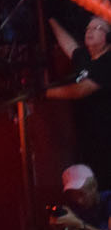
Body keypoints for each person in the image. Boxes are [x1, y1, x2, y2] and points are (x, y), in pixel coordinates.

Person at [46, 16, 111, 186]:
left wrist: (46, 93)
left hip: (106, 139)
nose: (90, 31)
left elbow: (80, 90)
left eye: (97, 28)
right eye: (88, 28)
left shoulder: (108, 62)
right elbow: (68, 45)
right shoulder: (85, 57)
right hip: (87, 138)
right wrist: (51, 19)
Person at [52, 164, 111, 230]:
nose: (79, 201)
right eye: (73, 195)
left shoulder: (108, 200)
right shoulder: (73, 207)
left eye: (82, 194)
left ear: (94, 186)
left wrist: (81, 225)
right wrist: (58, 229)